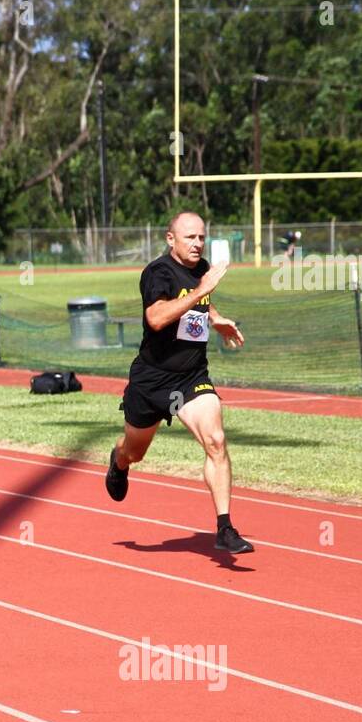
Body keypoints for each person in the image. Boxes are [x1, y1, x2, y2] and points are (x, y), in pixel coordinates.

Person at [105, 211, 255, 555]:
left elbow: (201, 301)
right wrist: (202, 289)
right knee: (135, 451)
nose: (198, 244)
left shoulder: (200, 269)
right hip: (151, 381)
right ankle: (119, 460)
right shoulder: (157, 273)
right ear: (170, 239)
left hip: (190, 377)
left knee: (216, 440)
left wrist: (216, 319)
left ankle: (225, 527)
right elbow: (156, 318)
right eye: (190, 237)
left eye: (202, 237)